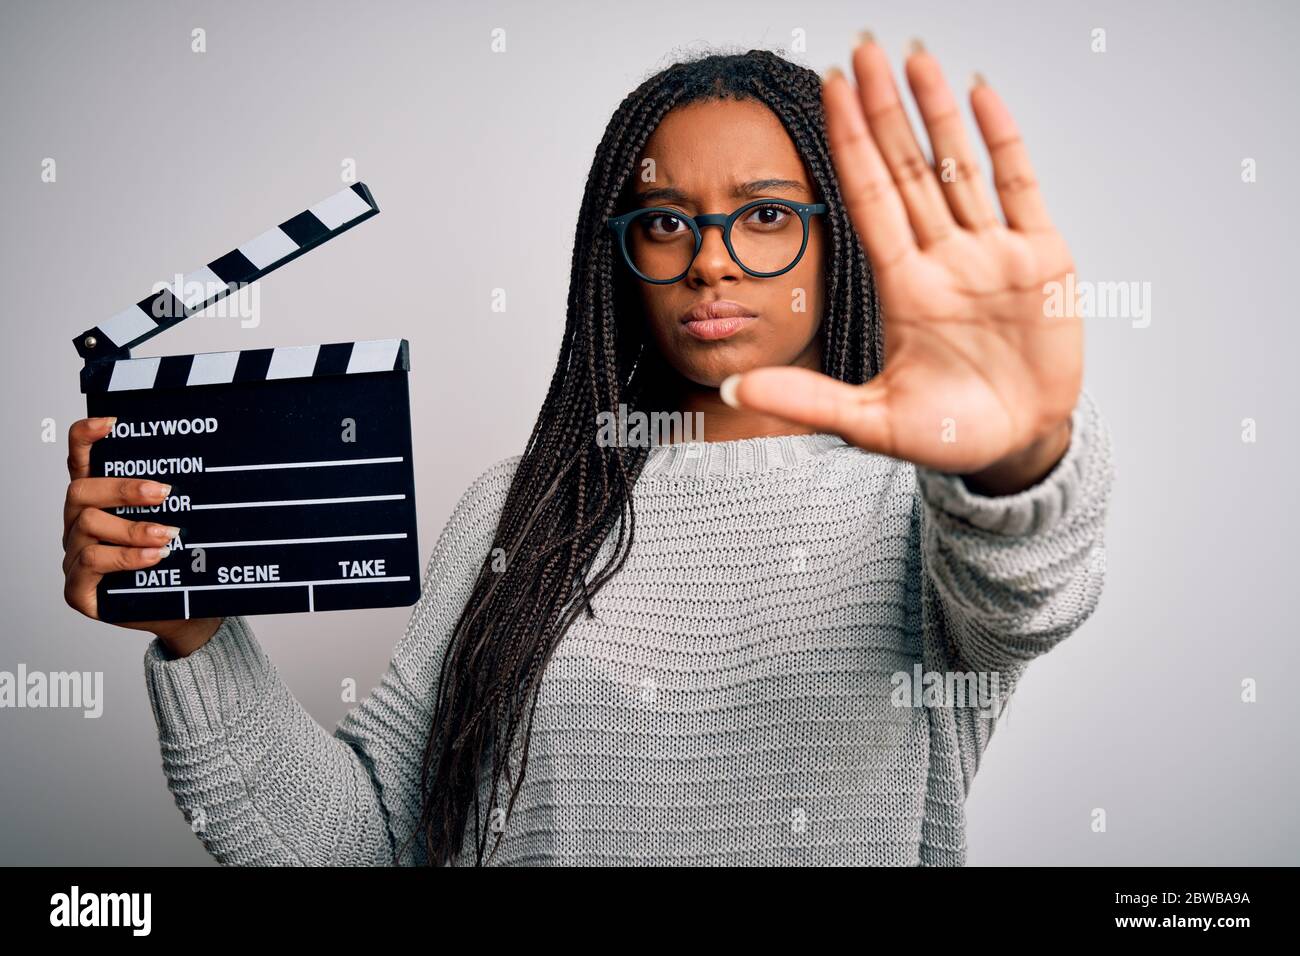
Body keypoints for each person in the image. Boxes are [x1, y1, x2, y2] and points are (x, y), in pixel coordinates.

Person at [60, 36, 1113, 866]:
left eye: (765, 215)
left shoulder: (928, 509)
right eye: (664, 223)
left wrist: (1016, 456)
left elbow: (1029, 589)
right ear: (622, 260)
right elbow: (359, 847)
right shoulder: (516, 508)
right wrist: (197, 634)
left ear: (839, 241)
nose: (710, 261)